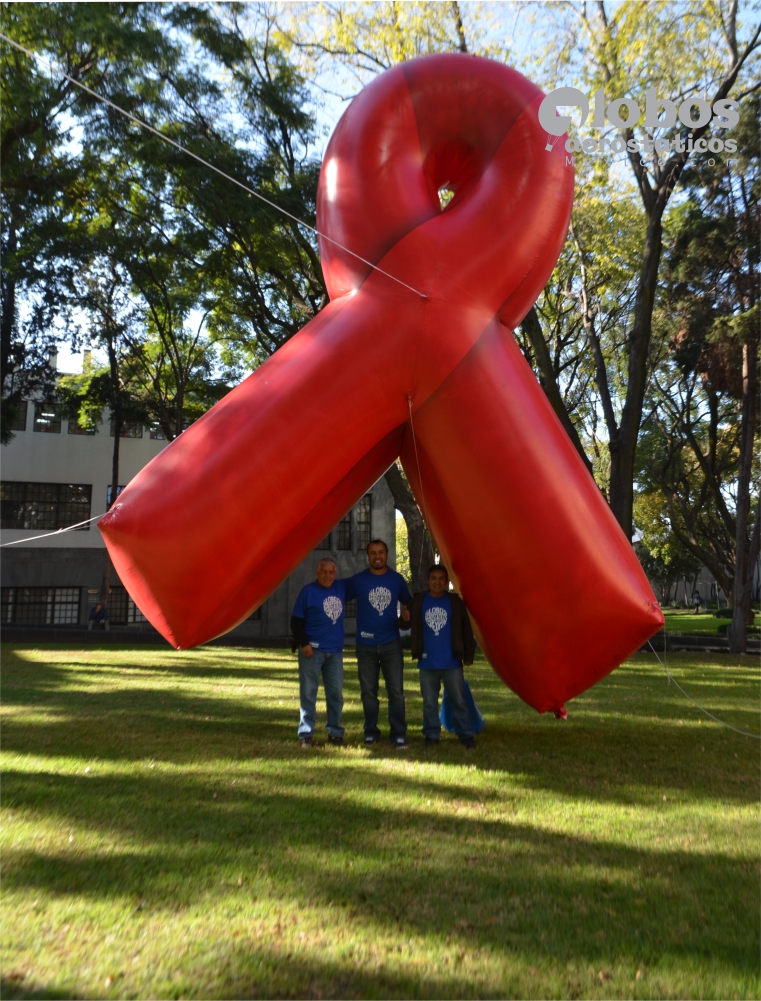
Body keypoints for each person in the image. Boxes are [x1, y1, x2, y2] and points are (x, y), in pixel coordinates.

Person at [351, 538, 413, 748]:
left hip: (391, 645)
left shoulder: (397, 580)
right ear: (368, 556)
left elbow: (409, 607)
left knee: (396, 691)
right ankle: (371, 731)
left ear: (387, 555)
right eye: (373, 553)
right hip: (365, 645)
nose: (377, 556)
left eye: (381, 552)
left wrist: (406, 617)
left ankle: (398, 734)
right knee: (368, 692)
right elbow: (334, 592)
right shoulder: (359, 580)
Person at [407, 565, 477, 749]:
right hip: (427, 662)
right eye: (433, 578)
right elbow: (404, 623)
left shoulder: (455, 602)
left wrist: (468, 654)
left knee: (459, 701)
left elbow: (466, 630)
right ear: (428, 581)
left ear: (447, 582)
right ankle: (431, 734)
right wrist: (404, 618)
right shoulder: (419, 601)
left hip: (451, 662)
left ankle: (466, 734)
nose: (437, 582)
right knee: (429, 703)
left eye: (441, 579)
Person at [291, 558, 355, 748]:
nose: (328, 576)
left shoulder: (341, 588)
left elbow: (362, 580)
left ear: (335, 574)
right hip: (312, 651)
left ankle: (335, 733)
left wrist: (385, 569)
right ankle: (306, 734)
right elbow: (296, 621)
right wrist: (305, 643)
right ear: (317, 573)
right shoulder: (308, 592)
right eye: (324, 572)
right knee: (308, 693)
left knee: (336, 694)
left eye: (331, 572)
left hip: (334, 652)